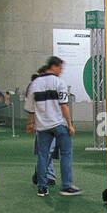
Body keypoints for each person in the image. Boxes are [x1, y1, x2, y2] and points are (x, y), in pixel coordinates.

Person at [28, 56, 80, 196]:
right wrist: (70, 124)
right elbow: (64, 106)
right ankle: (67, 186)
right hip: (58, 124)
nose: (61, 71)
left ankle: (42, 187)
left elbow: (30, 107)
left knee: (43, 156)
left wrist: (30, 123)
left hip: (42, 126)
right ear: (54, 66)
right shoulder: (59, 83)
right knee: (66, 154)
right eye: (60, 68)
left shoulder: (35, 84)